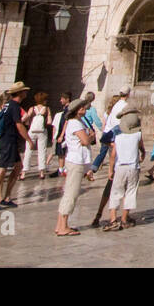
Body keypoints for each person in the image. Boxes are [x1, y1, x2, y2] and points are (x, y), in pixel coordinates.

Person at [0, 81, 31, 210]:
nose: (26, 92)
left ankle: (7, 197)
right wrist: (29, 140)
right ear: (19, 93)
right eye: (24, 90)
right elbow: (19, 125)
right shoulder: (14, 107)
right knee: (1, 169)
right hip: (8, 140)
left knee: (18, 166)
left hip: (9, 141)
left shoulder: (8, 105)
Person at [55, 98, 93, 236]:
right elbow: (84, 141)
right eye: (82, 107)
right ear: (77, 110)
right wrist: (91, 137)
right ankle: (63, 226)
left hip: (74, 160)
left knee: (68, 193)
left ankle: (60, 225)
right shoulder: (75, 123)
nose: (84, 109)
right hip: (76, 161)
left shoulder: (74, 122)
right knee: (71, 194)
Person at [105, 109, 145, 231]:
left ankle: (112, 219)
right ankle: (124, 219)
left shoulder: (118, 136)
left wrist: (110, 170)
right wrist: (142, 154)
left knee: (116, 192)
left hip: (120, 167)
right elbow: (141, 148)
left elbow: (113, 155)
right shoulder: (138, 135)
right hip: (133, 167)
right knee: (130, 192)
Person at [91, 85, 130, 174]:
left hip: (108, 132)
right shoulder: (125, 105)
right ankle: (112, 171)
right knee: (114, 154)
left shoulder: (115, 106)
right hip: (116, 132)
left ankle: (96, 167)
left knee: (105, 152)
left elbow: (109, 121)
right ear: (128, 94)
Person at [23, 91, 52, 179]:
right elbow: (49, 121)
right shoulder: (47, 109)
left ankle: (23, 172)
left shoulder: (32, 108)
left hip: (32, 132)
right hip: (42, 132)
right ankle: (41, 172)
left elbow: (26, 119)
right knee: (42, 151)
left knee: (28, 151)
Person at [52, 93, 72, 176]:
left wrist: (61, 135)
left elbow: (66, 122)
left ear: (67, 99)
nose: (60, 100)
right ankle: (61, 169)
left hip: (64, 133)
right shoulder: (66, 109)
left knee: (62, 152)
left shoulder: (68, 109)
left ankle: (62, 170)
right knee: (60, 152)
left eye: (62, 99)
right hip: (62, 132)